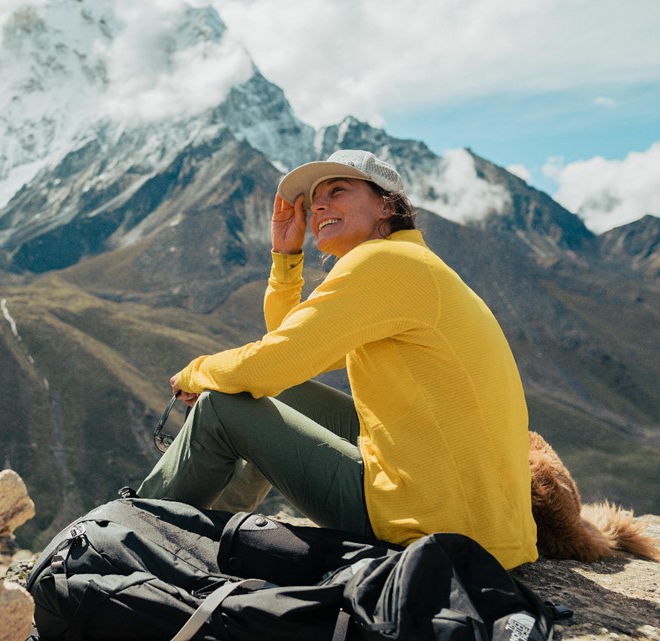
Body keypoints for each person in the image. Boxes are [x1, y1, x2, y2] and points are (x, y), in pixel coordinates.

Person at [136, 150, 538, 569]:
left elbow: (275, 361)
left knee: (221, 406)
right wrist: (286, 258)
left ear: (386, 204)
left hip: (428, 529)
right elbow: (291, 344)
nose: (319, 207)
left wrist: (196, 373)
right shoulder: (410, 263)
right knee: (280, 392)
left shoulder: (381, 263)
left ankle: (134, 533)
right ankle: (215, 523)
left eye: (337, 190)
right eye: (313, 202)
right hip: (486, 530)